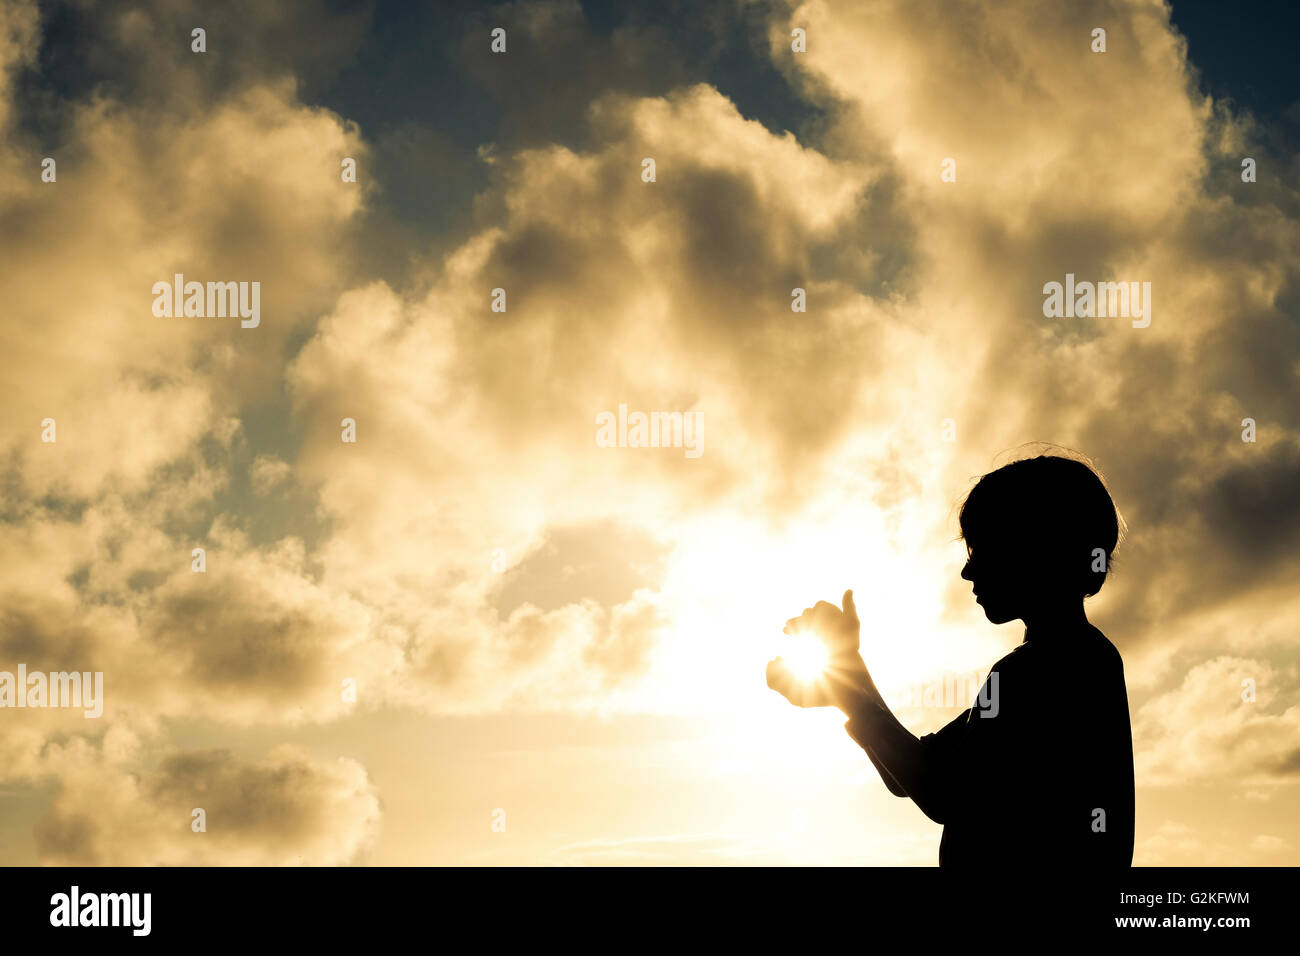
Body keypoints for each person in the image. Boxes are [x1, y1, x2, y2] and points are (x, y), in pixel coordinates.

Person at [766, 454, 1135, 867]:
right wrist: (847, 674)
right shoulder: (1082, 660)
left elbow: (937, 789)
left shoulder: (1041, 671)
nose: (967, 571)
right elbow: (910, 774)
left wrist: (848, 685)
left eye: (983, 548)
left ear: (1034, 549)